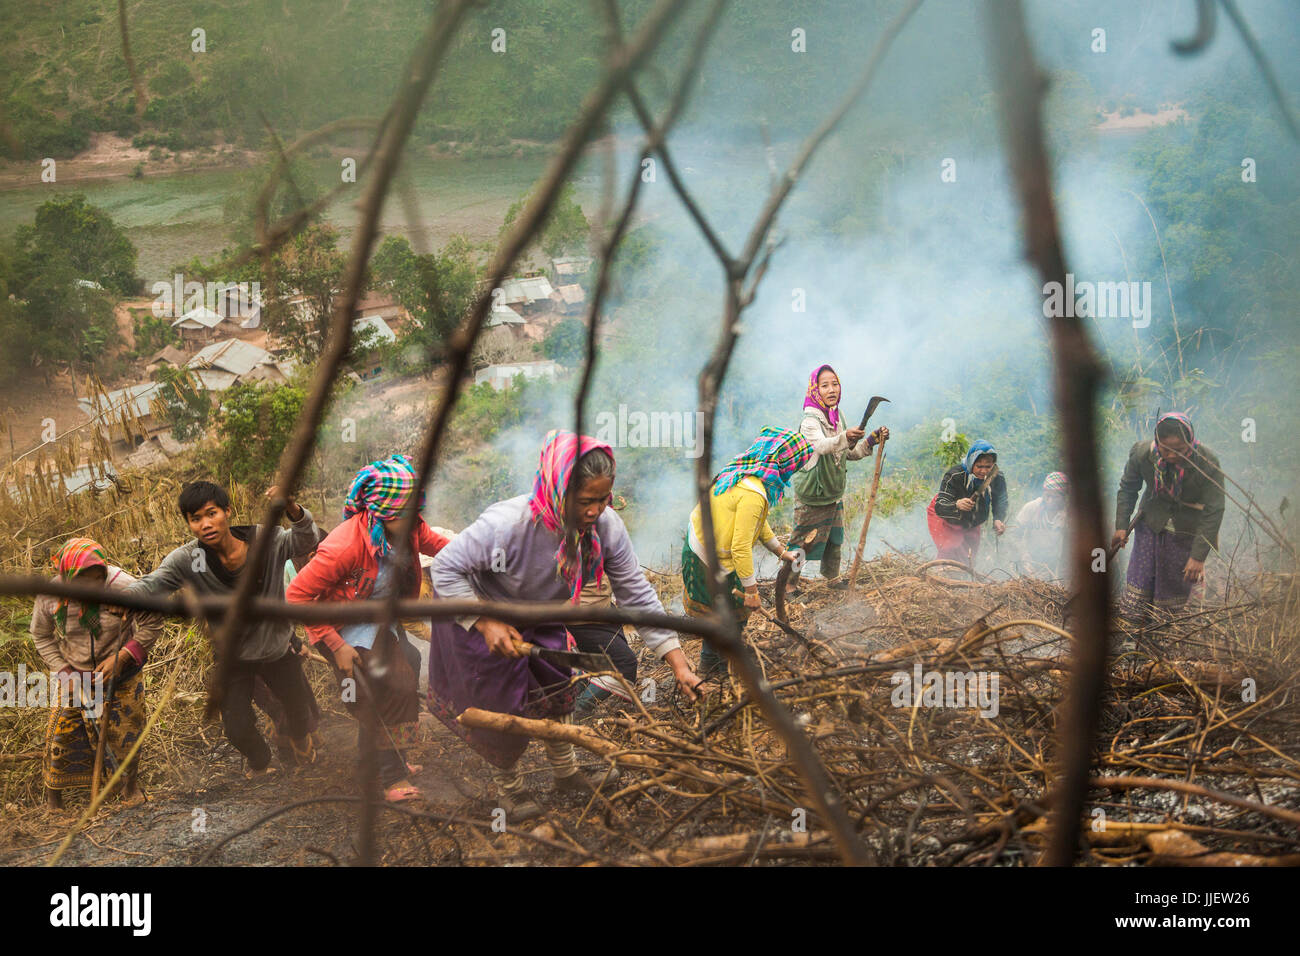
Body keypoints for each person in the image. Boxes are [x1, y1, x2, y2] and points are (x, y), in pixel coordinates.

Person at [428, 430, 701, 820]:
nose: (594, 511)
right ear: (558, 490)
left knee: (559, 684)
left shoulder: (606, 528)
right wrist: (484, 621)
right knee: (499, 699)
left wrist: (678, 664)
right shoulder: (508, 525)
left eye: (603, 499)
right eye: (585, 501)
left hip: (541, 613)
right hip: (475, 609)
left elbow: (636, 595)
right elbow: (445, 568)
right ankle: (511, 790)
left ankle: (566, 772)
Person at [125, 481, 320, 777]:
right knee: (236, 726)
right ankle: (260, 762)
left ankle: (300, 741)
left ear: (227, 511)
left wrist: (291, 507)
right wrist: (111, 599)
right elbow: (150, 585)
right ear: (189, 524)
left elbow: (306, 540)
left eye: (211, 513)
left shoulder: (266, 541)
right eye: (195, 519)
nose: (205, 524)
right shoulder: (188, 560)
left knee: (299, 714)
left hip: (277, 650)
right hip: (233, 658)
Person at [287, 454, 449, 803]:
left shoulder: (412, 528)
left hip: (380, 621)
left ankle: (381, 759)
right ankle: (392, 777)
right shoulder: (344, 545)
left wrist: (486, 556)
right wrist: (334, 644)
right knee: (392, 685)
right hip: (339, 625)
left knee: (409, 664)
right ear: (383, 511)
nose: (410, 520)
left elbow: (443, 546)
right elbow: (296, 595)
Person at [30, 538, 163, 810]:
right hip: (73, 673)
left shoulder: (124, 587)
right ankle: (54, 803)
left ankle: (129, 788)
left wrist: (123, 656)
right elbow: (40, 635)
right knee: (61, 735)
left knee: (128, 732)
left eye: (96, 580)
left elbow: (153, 621)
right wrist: (64, 670)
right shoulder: (50, 595)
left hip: (122, 673)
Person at [682, 426, 812, 677]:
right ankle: (712, 669)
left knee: (734, 615)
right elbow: (740, 547)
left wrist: (780, 551)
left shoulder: (745, 474)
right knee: (720, 616)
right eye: (796, 465)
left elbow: (756, 522)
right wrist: (751, 592)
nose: (794, 471)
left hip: (713, 548)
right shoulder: (754, 493)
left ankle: (721, 660)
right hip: (705, 556)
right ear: (785, 463)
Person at [1113, 413, 1224, 624]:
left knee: (1175, 584)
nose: (1172, 456)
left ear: (1190, 442)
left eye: (1180, 450)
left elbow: (1214, 510)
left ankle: (1167, 631)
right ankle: (1134, 629)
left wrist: (1198, 556)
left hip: (1185, 532)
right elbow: (1128, 488)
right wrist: (1121, 526)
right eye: (1165, 450)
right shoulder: (1142, 454)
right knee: (1141, 577)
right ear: (1157, 443)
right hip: (1150, 525)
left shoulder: (1207, 463)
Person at [788, 365, 888, 595]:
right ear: (815, 390)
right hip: (812, 494)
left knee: (835, 539)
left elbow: (848, 453)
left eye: (835, 384)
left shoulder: (837, 416)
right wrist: (844, 437)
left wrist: (870, 441)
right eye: (824, 385)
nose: (831, 389)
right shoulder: (809, 421)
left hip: (833, 491)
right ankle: (789, 585)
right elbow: (822, 446)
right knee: (802, 543)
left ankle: (832, 579)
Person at [927, 439, 1008, 563]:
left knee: (968, 558)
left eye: (988, 466)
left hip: (971, 521)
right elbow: (940, 505)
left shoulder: (996, 477)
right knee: (950, 549)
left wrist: (998, 518)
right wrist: (957, 505)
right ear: (971, 462)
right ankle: (940, 576)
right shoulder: (955, 475)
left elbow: (1000, 499)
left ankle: (962, 579)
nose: (984, 471)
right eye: (979, 466)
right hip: (945, 516)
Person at [1014, 471, 1069, 579]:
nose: (1050, 500)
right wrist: (1023, 555)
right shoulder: (1032, 508)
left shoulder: (1069, 515)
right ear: (1043, 492)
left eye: (1055, 497)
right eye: (1047, 495)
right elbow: (1014, 534)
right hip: (1031, 562)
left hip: (1057, 566)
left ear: (1064, 497)